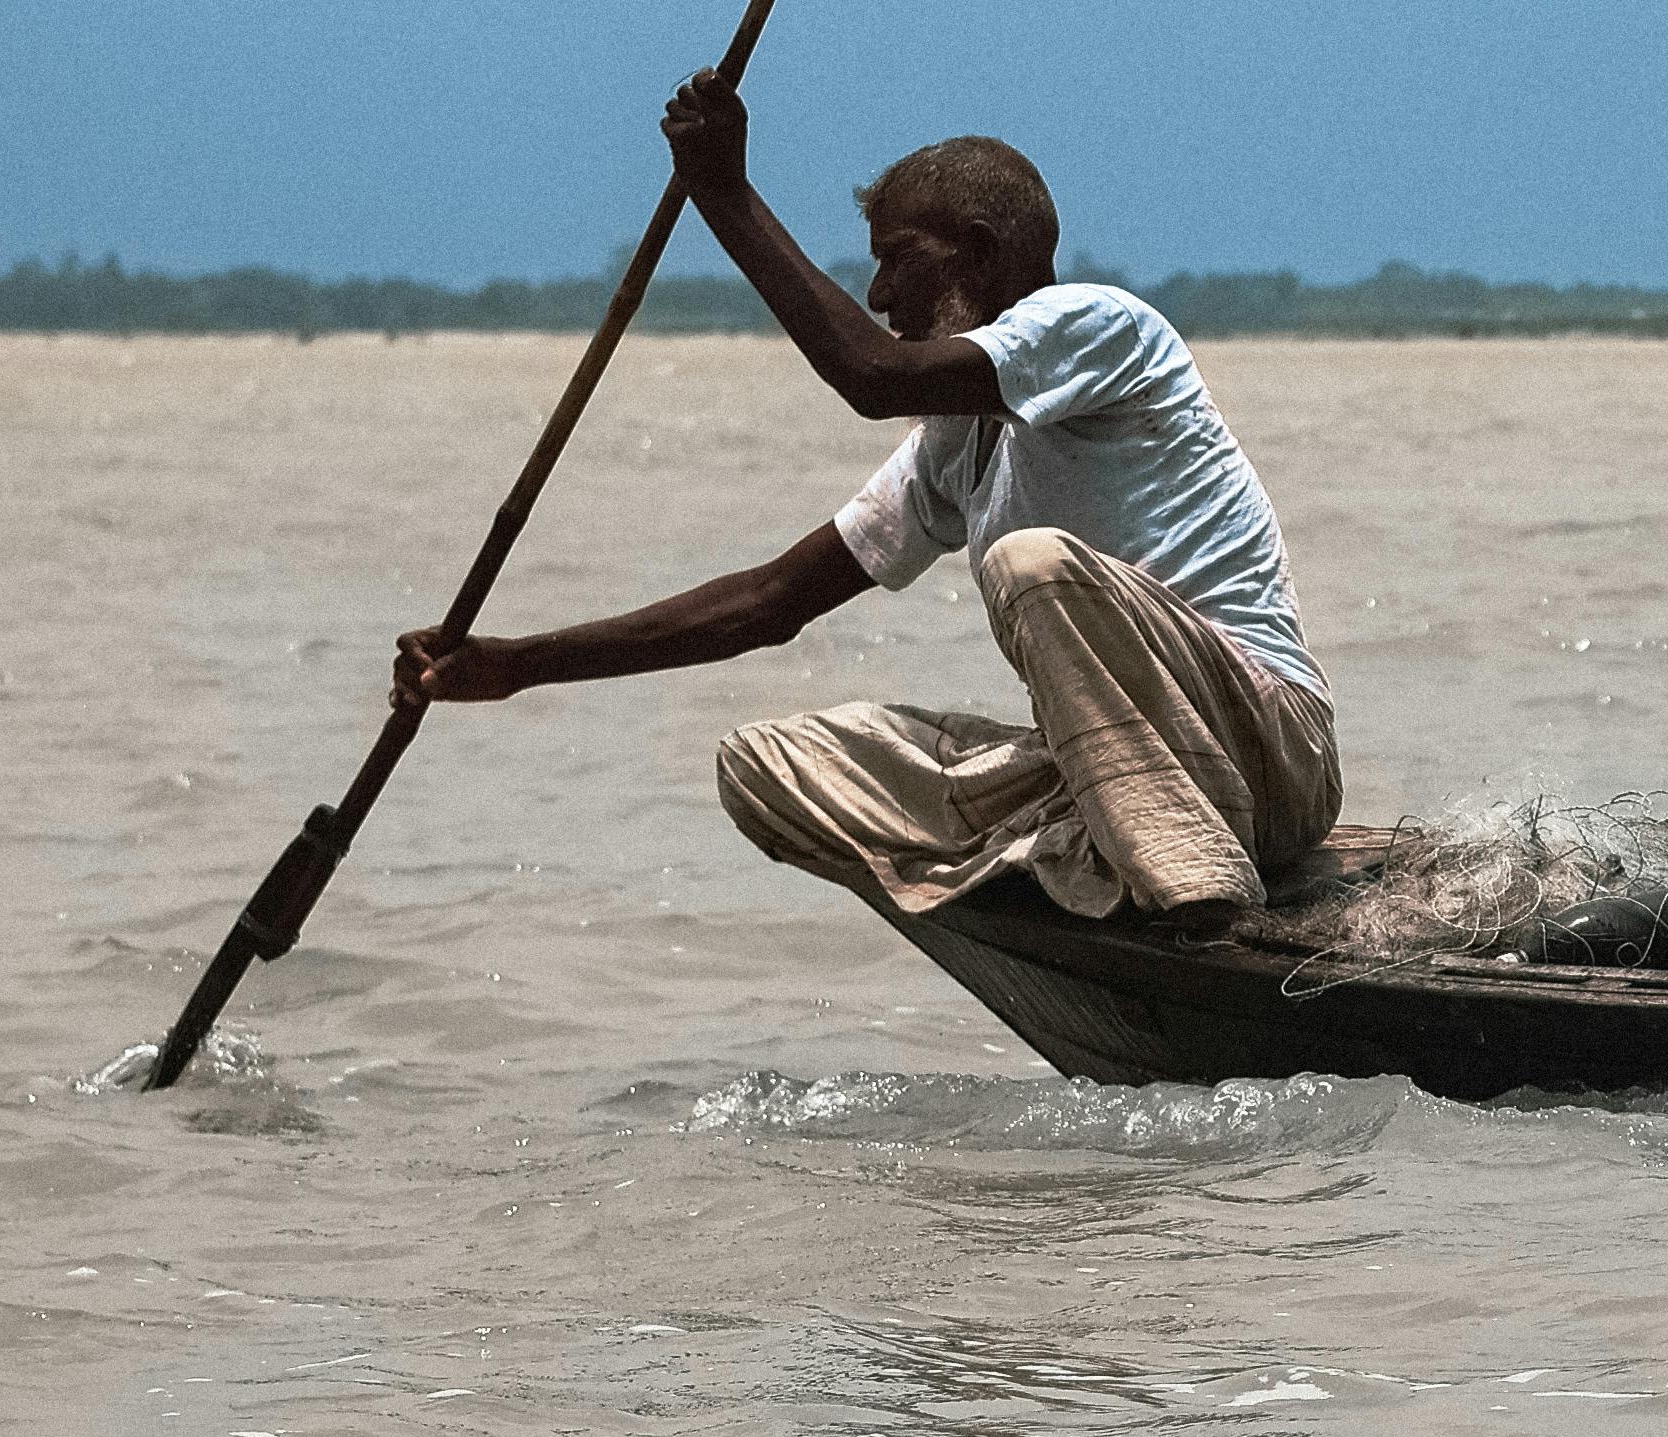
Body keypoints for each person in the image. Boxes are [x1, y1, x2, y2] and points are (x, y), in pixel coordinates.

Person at [394, 78, 1337, 939]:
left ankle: (1199, 896)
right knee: (767, 763)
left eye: (898, 261)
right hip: (1121, 772)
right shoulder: (960, 444)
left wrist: (726, 197)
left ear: (979, 250)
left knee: (1031, 564)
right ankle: (1091, 848)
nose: (880, 294)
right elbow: (770, 601)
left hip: (1267, 757)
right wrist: (514, 666)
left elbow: (871, 376)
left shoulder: (1099, 325)